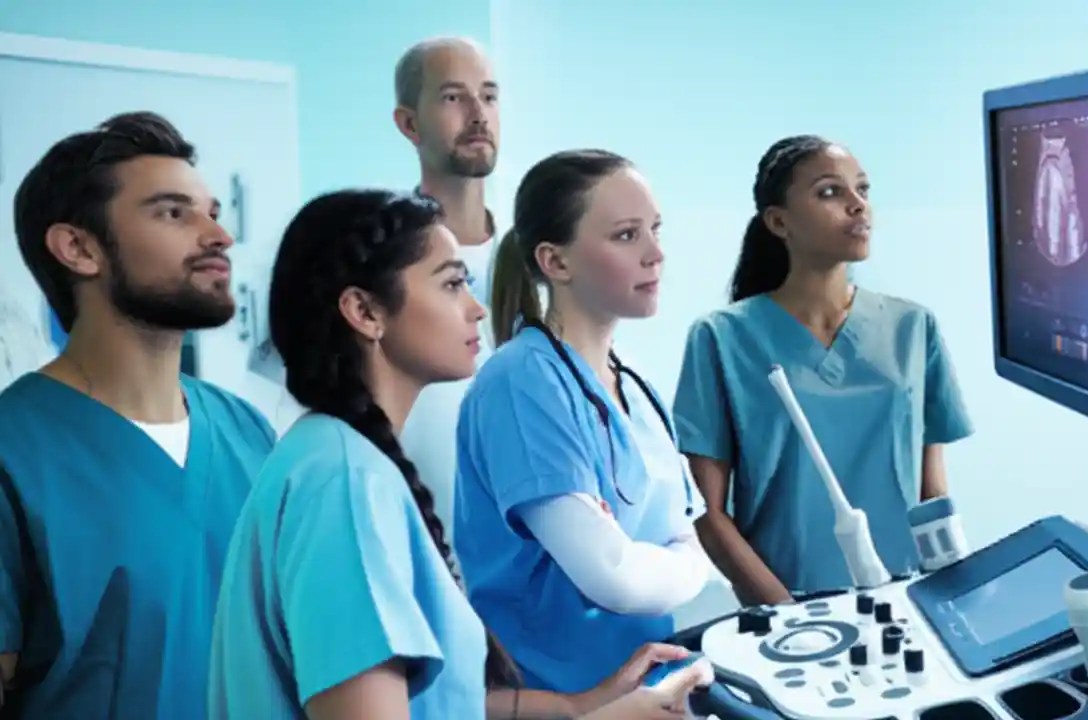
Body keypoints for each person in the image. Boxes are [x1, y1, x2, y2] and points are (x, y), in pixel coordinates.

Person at [208, 189, 708, 720]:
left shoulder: (342, 459)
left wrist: (580, 705)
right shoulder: (344, 483)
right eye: (451, 284)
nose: (478, 308)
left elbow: (436, 703)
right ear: (365, 312)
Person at [0, 112, 276, 719]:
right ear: (79, 248)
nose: (218, 236)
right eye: (174, 213)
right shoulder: (14, 455)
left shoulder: (249, 432)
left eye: (212, 212)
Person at [672, 135, 975, 606]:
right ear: (779, 222)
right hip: (788, 603)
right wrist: (785, 613)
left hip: (907, 597)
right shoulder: (721, 338)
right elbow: (707, 513)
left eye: (863, 189)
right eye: (830, 192)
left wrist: (951, 597)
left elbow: (932, 491)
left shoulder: (913, 327)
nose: (858, 205)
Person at [454, 150, 712, 695]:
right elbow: (614, 578)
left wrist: (669, 562)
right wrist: (677, 565)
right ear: (556, 261)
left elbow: (689, 545)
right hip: (559, 698)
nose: (655, 254)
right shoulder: (521, 381)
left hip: (647, 687)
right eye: (626, 236)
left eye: (655, 230)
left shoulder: (634, 383)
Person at [392, 36, 501, 543]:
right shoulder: (376, 260)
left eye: (489, 96)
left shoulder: (543, 262)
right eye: (454, 97)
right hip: (420, 545)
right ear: (409, 124)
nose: (478, 114)